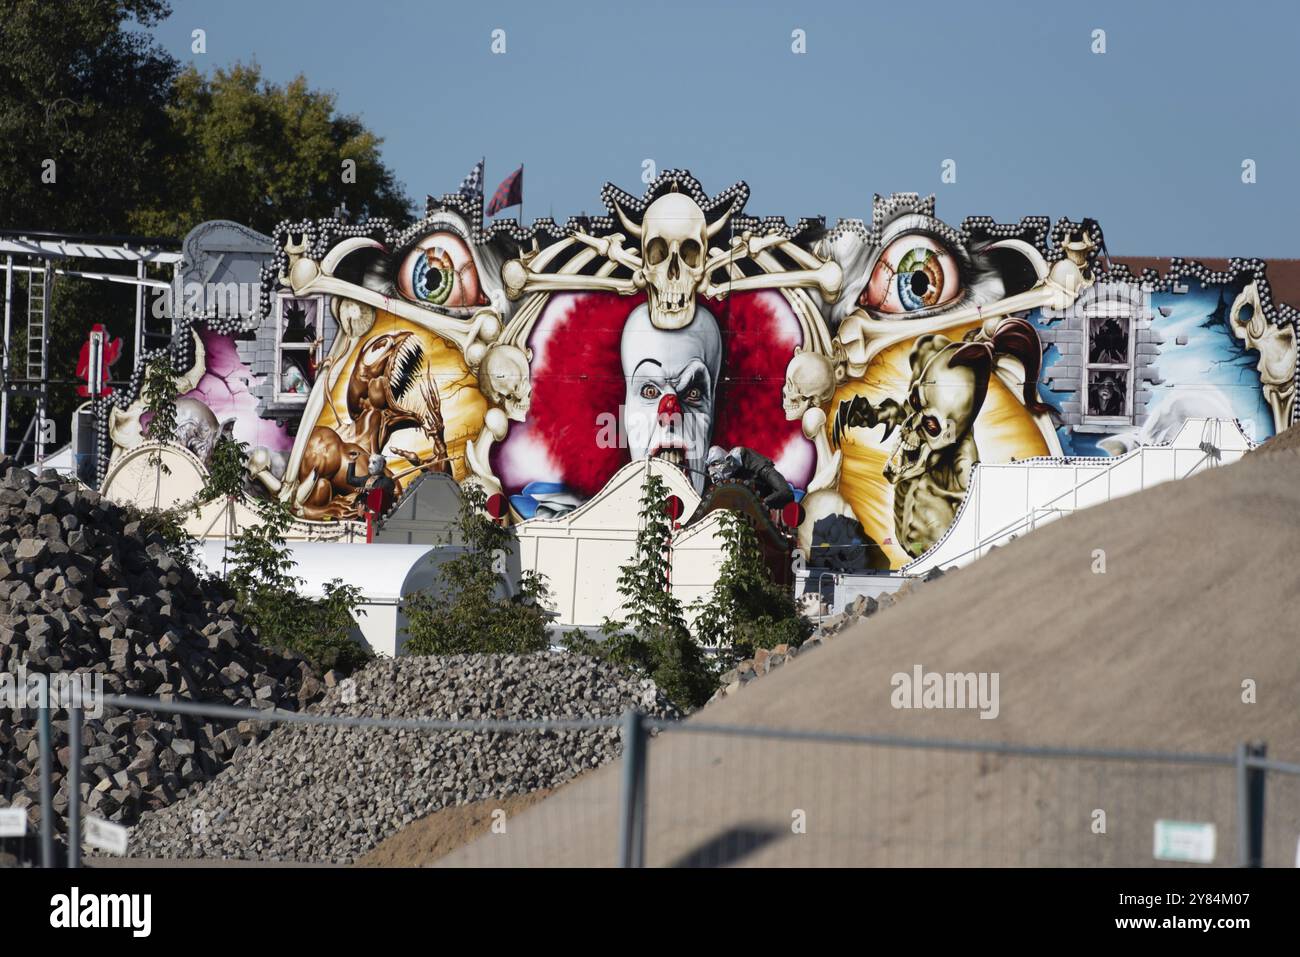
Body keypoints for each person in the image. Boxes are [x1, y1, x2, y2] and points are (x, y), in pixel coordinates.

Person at [705, 445, 794, 509]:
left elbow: (785, 492)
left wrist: (763, 503)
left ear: (728, 460)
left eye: (714, 464)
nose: (712, 472)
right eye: (710, 466)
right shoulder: (728, 482)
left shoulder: (751, 460)